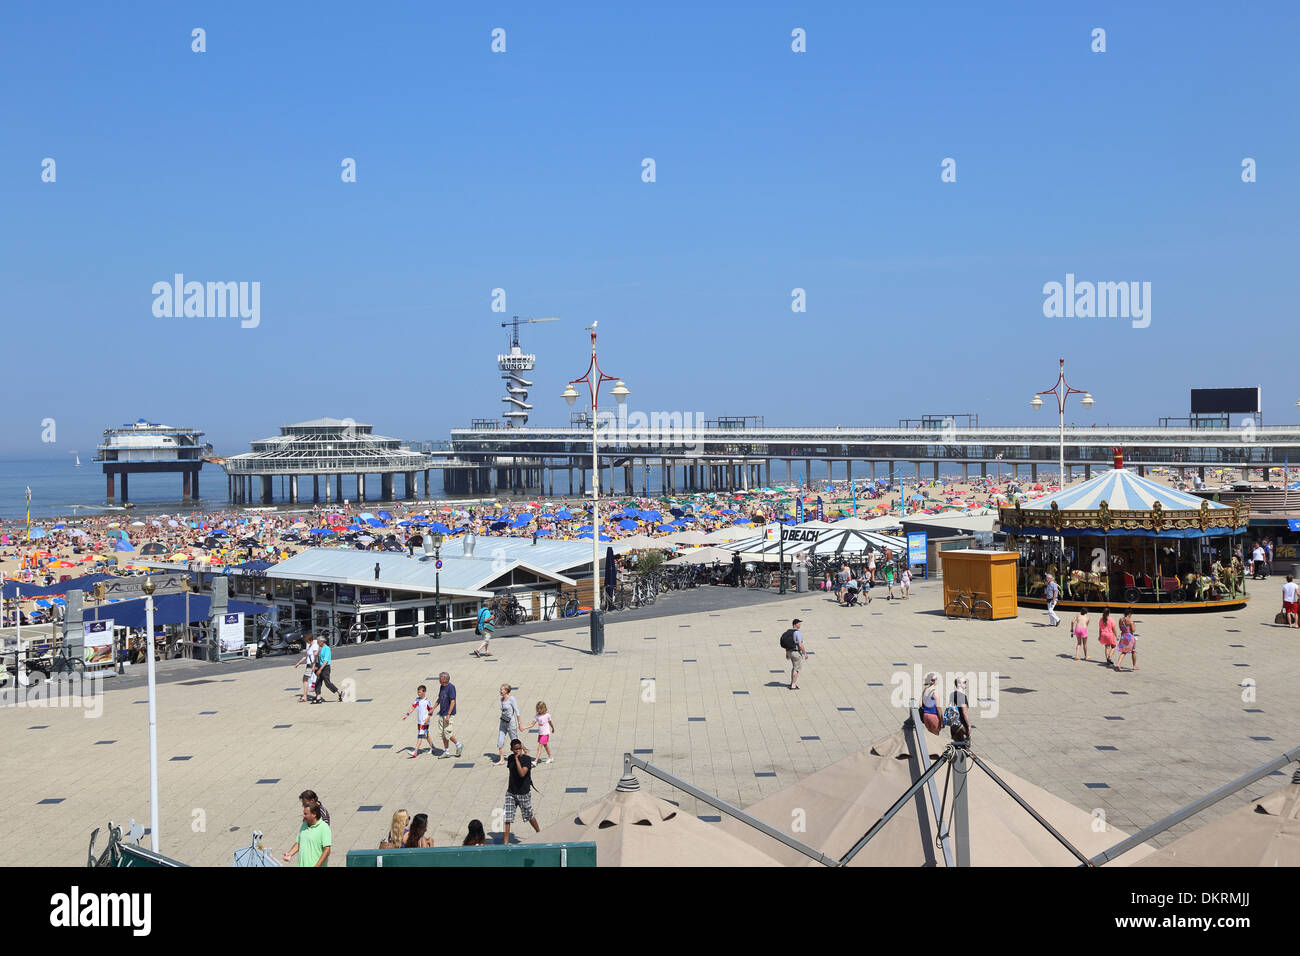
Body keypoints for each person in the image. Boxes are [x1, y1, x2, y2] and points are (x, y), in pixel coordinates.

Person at [502, 738, 540, 843]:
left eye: (519, 749)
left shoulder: (526, 760)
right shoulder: (510, 758)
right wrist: (515, 759)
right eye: (515, 749)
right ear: (512, 749)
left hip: (523, 793)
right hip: (511, 792)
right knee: (507, 816)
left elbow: (522, 774)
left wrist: (518, 760)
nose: (518, 751)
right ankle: (505, 843)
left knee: (529, 815)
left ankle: (539, 832)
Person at [282, 800, 331, 867]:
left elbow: (327, 850)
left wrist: (317, 865)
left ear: (314, 814)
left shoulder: (324, 827)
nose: (303, 815)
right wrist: (290, 854)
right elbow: (299, 843)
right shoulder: (304, 825)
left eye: (306, 814)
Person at [435, 672, 463, 758]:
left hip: (448, 714)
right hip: (442, 713)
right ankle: (446, 752)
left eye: (439, 678)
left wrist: (448, 715)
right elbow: (439, 698)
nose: (438, 679)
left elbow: (453, 701)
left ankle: (458, 745)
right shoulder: (442, 686)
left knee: (447, 733)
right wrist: (433, 708)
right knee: (443, 734)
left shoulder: (451, 687)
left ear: (444, 679)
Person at [402, 684, 435, 758]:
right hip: (419, 722)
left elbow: (431, 711)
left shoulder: (427, 701)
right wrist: (406, 715)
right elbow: (412, 708)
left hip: (425, 722)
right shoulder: (417, 700)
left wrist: (428, 718)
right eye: (418, 692)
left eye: (420, 692)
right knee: (426, 734)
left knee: (420, 736)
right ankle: (433, 747)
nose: (418, 694)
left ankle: (415, 752)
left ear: (424, 692)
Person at [496, 683, 522, 765]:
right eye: (500, 689)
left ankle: (523, 753)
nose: (500, 691)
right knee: (500, 741)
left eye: (502, 689)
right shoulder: (501, 699)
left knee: (515, 741)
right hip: (503, 722)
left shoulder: (512, 699)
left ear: (506, 691)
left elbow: (517, 711)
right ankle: (502, 759)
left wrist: (519, 724)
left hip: (511, 723)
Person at [311, 635, 341, 703]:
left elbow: (325, 661)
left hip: (325, 668)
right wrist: (314, 666)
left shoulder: (327, 648)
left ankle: (339, 693)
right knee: (318, 682)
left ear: (322, 642)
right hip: (320, 667)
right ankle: (318, 697)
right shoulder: (320, 648)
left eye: (318, 642)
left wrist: (320, 670)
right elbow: (317, 658)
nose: (317, 643)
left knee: (327, 683)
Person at [779, 619, 807, 690]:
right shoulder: (797, 633)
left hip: (789, 651)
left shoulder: (788, 631)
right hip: (795, 653)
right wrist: (804, 653)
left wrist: (787, 653)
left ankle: (792, 682)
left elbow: (787, 643)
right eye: (799, 623)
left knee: (794, 667)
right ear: (795, 625)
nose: (800, 625)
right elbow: (800, 644)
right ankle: (793, 685)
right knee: (796, 669)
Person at [293, 634, 318, 702]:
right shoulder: (310, 646)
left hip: (311, 665)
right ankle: (316, 695)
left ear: (310, 640)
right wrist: (298, 663)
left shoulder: (314, 646)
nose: (307, 642)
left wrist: (313, 665)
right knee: (310, 680)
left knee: (305, 679)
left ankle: (305, 696)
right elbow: (306, 656)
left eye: (307, 641)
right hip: (309, 665)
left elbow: (315, 657)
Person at [947, 677, 972, 742]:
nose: (966, 683)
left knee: (955, 743)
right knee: (964, 745)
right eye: (964, 682)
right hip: (961, 724)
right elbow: (964, 712)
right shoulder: (962, 696)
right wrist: (969, 725)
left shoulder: (952, 694)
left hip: (953, 724)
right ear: (959, 684)